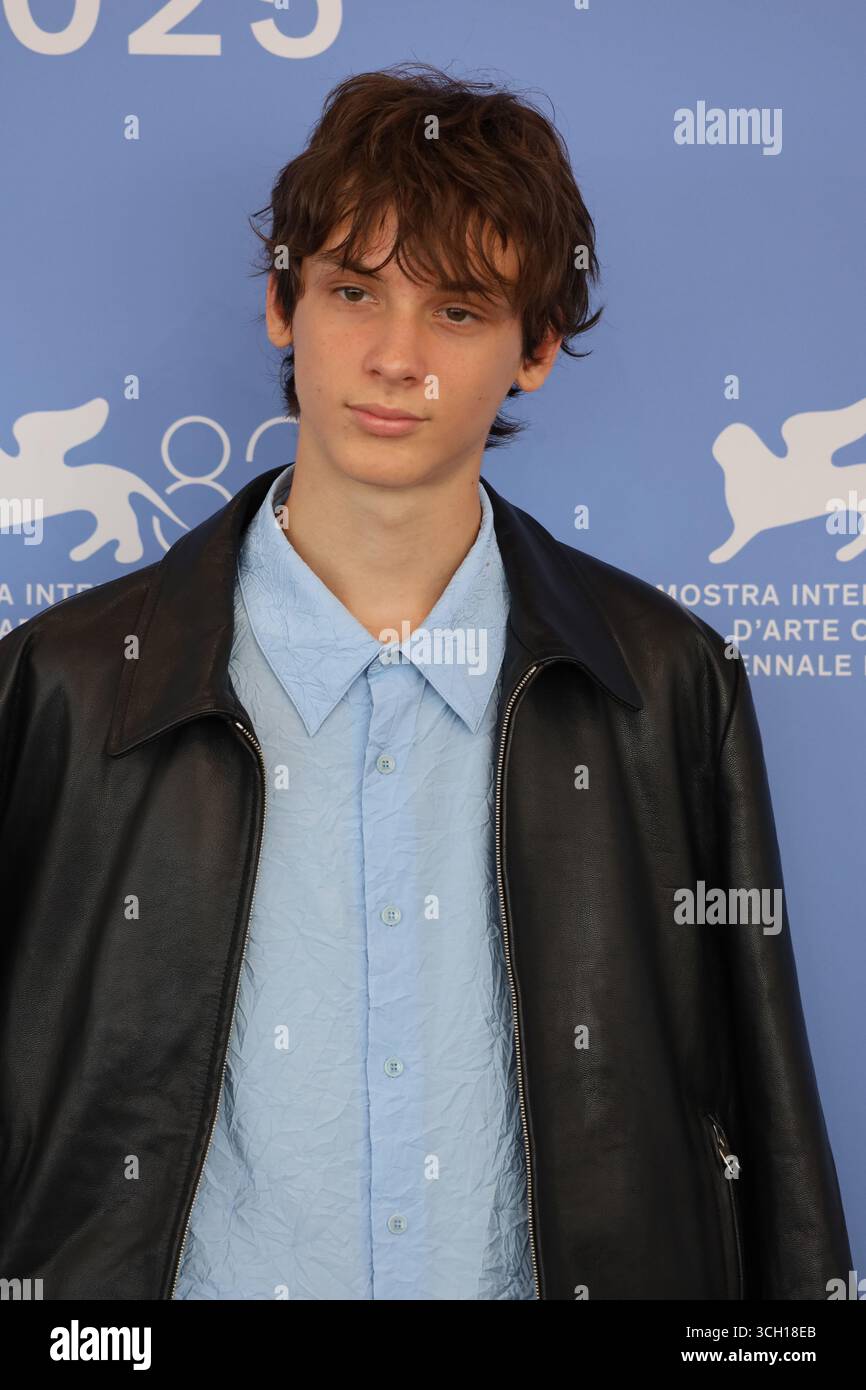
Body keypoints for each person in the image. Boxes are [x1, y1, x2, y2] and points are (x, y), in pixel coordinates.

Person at [0, 63, 851, 1301]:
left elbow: (762, 1100)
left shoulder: (664, 682)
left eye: (456, 312)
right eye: (352, 292)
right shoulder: (65, 686)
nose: (393, 357)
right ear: (286, 307)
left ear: (536, 350)